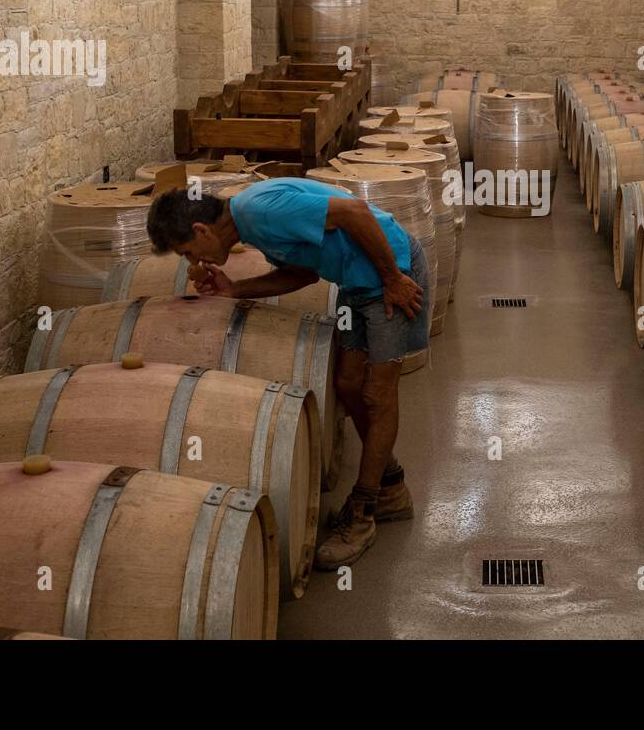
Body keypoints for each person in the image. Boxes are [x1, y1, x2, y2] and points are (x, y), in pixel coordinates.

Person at [145, 177, 430, 569]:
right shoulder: (250, 225)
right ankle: (391, 487)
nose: (194, 264)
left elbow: (355, 212)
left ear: (201, 230)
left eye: (188, 252)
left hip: (391, 270)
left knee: (378, 394)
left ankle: (363, 513)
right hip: (356, 281)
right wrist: (235, 290)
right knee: (348, 383)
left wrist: (394, 279)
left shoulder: (259, 210)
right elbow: (304, 274)